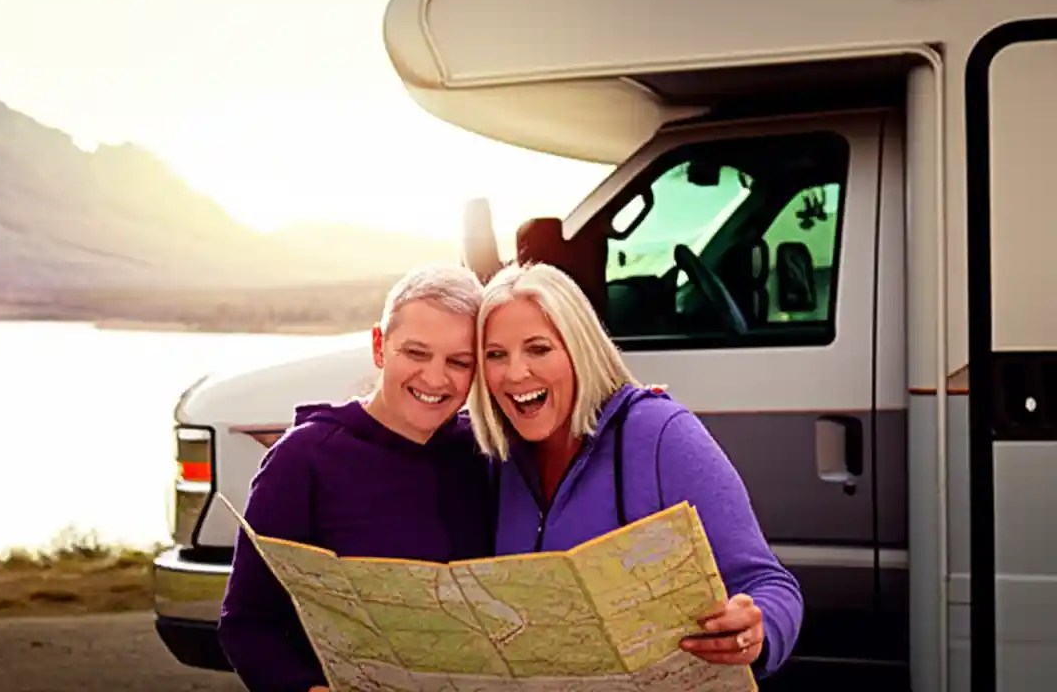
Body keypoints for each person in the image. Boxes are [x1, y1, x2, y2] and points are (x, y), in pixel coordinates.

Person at [468, 262, 803, 680]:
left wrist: (758, 630)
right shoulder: (492, 456)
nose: (516, 373)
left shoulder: (660, 434)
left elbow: (770, 585)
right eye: (496, 355)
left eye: (538, 349)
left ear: (580, 349)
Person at [217, 264, 493, 692]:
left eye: (459, 362)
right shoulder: (302, 460)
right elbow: (248, 622)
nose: (436, 378)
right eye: (416, 353)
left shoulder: (484, 455)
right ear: (380, 346)